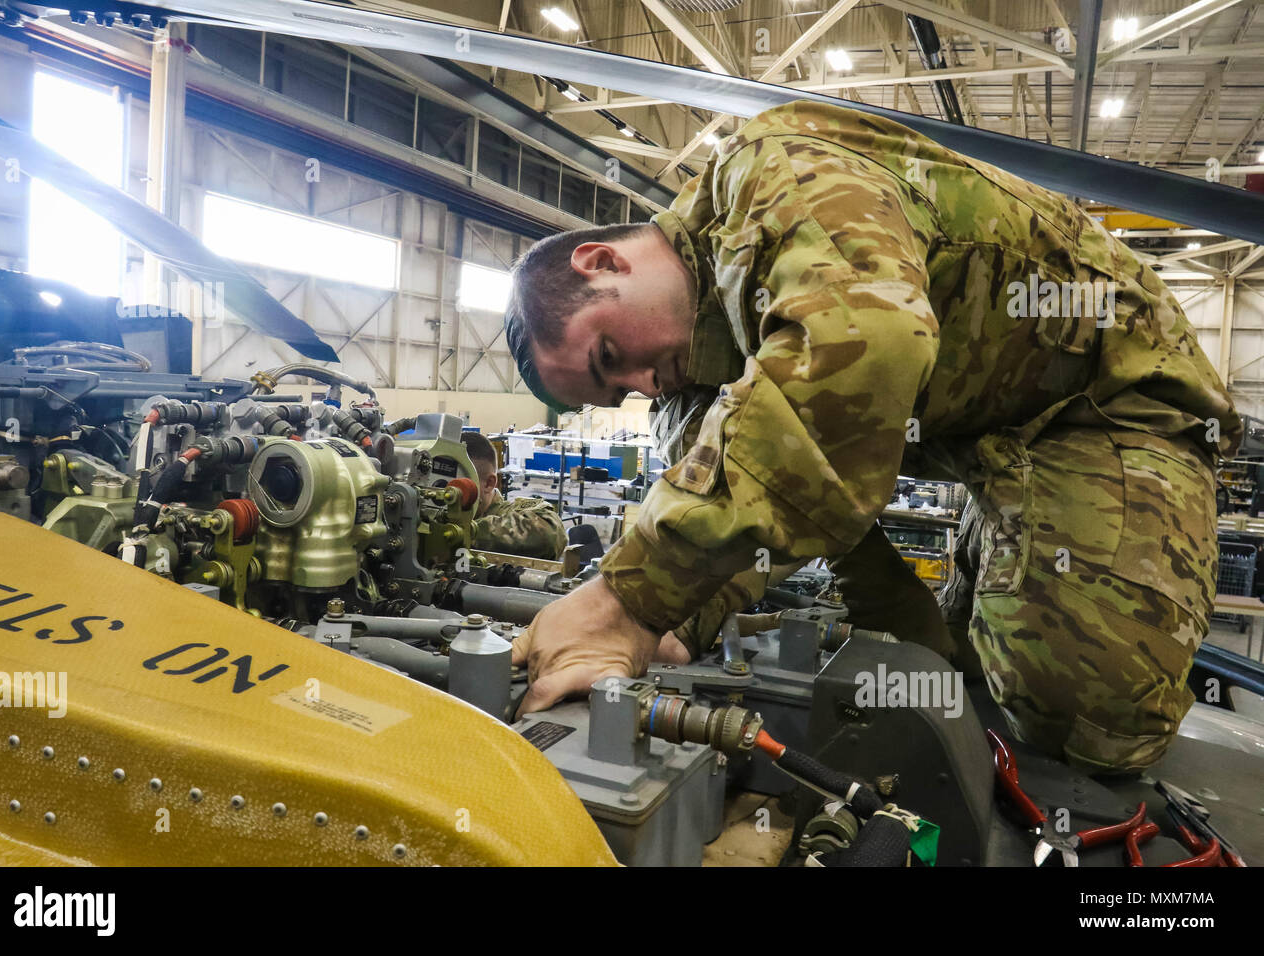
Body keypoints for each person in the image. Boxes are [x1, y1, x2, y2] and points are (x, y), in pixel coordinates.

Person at [503, 99, 1240, 774]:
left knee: (1082, 711)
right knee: (963, 680)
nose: (640, 384)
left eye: (608, 356)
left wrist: (622, 603)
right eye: (615, 391)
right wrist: (675, 628)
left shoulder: (776, 176)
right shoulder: (693, 374)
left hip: (1109, 401)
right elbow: (790, 501)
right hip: (982, 434)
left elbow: (867, 348)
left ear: (603, 262)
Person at [462, 430, 567, 560]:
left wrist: (464, 533)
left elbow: (550, 534)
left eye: (457, 483)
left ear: (489, 484)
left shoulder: (513, 512)